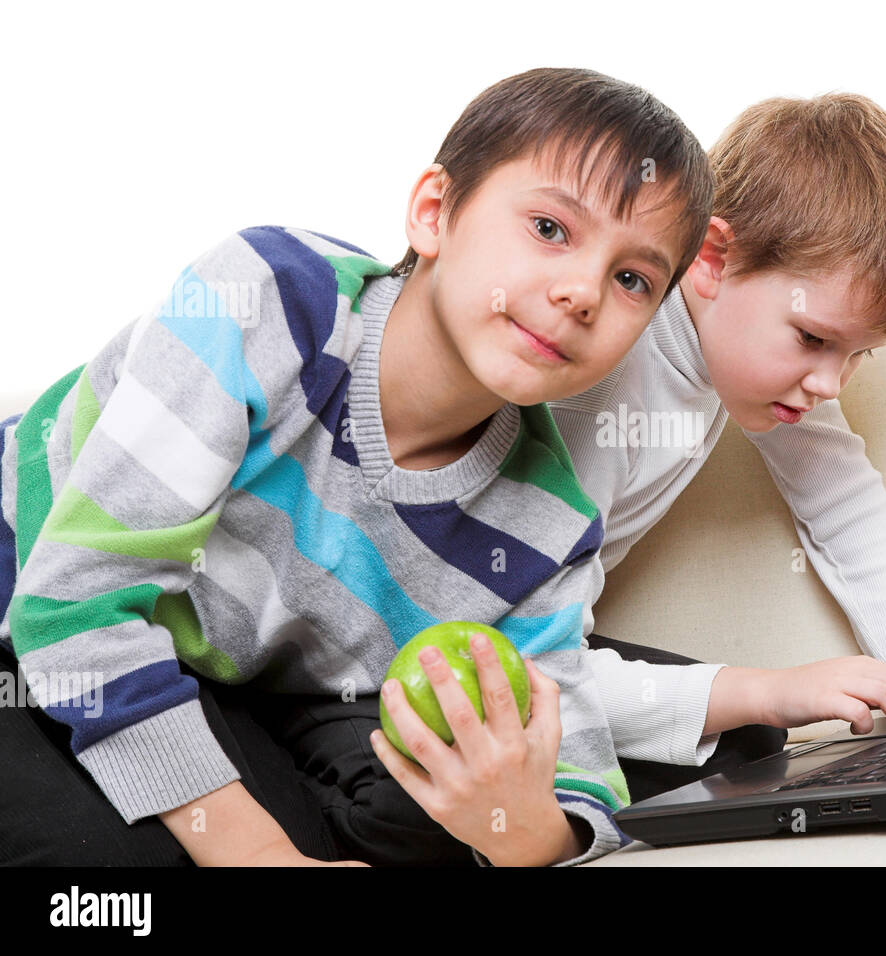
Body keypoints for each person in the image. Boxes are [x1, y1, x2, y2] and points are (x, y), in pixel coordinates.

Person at [0, 66, 717, 867]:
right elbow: (70, 607)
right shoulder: (265, 300)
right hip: (33, 581)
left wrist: (519, 823)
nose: (583, 291)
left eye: (631, 279)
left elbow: (578, 777)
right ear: (433, 212)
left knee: (421, 814)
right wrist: (257, 854)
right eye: (550, 229)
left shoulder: (549, 529)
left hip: (232, 673)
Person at [542, 93, 886, 775]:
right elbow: (534, 663)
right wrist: (770, 692)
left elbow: (844, 504)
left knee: (750, 745)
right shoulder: (601, 379)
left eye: (859, 356)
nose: (832, 384)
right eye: (814, 338)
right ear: (712, 258)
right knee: (750, 719)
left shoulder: (764, 371)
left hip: (544, 650)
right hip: (494, 650)